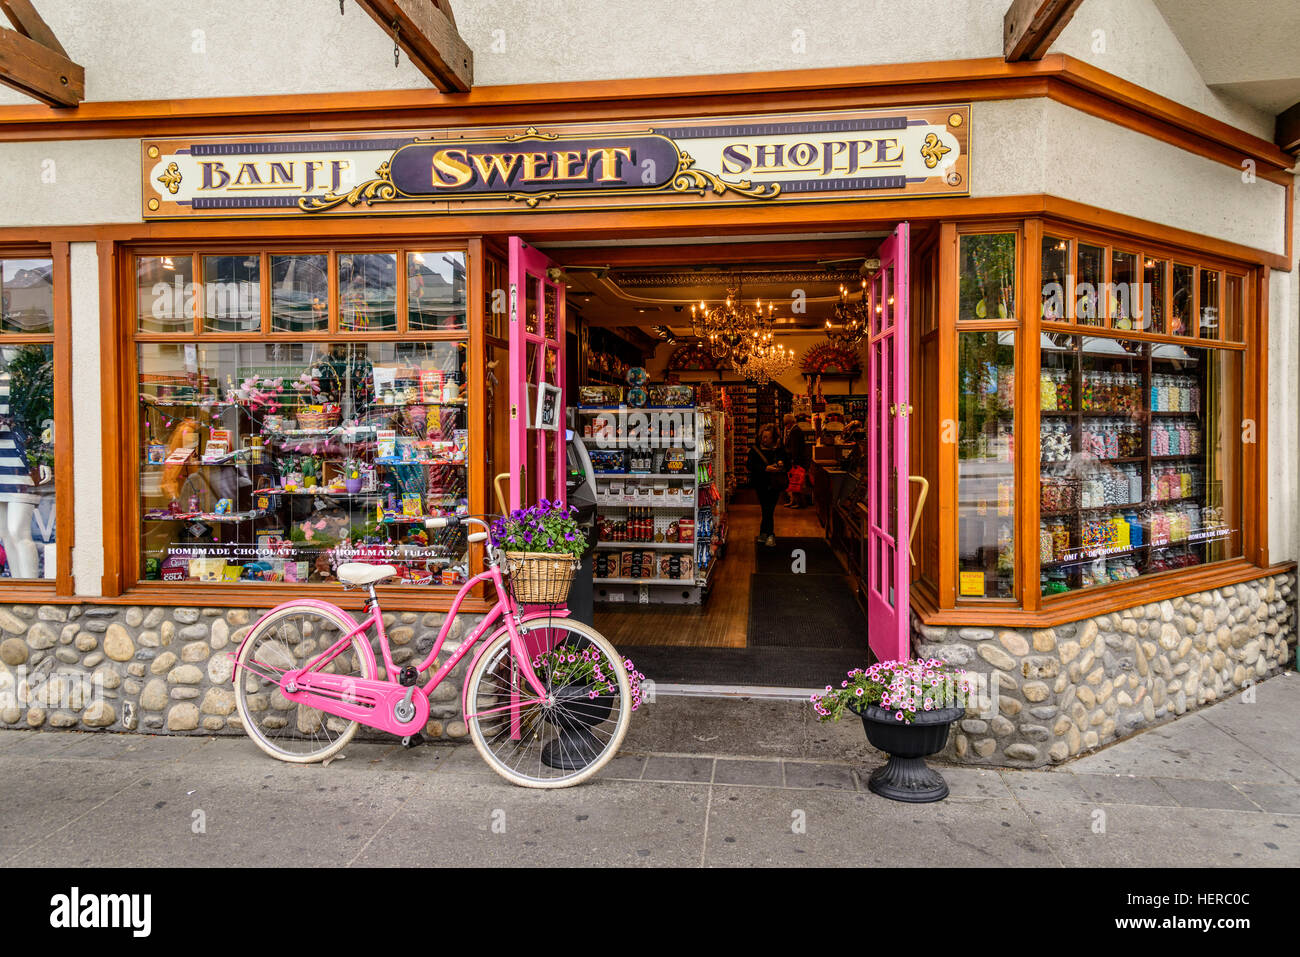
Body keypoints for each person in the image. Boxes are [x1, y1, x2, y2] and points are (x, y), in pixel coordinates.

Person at [748, 423, 787, 548]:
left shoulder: (780, 450)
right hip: (761, 483)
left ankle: (764, 533)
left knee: (768, 509)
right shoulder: (754, 450)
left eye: (767, 437)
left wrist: (781, 464)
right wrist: (765, 468)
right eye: (763, 437)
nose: (764, 439)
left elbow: (788, 463)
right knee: (767, 508)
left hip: (775, 484)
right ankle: (769, 534)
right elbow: (750, 466)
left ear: (773, 438)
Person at [781, 412, 809, 508]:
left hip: (797, 461)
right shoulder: (795, 430)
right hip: (797, 460)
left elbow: (795, 448)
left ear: (790, 423)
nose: (785, 426)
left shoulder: (795, 431)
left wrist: (794, 460)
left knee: (797, 482)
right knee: (793, 482)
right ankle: (793, 501)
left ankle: (799, 503)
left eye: (786, 424)